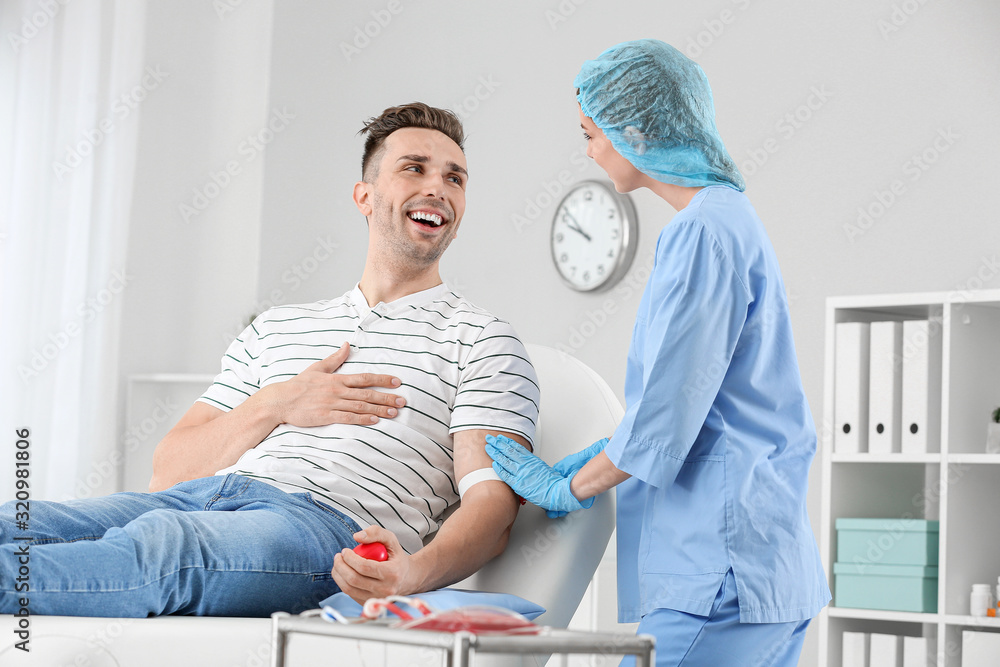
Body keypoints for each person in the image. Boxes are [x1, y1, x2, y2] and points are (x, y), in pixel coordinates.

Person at [0, 102, 539, 618]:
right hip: (203, 496)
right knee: (25, 521)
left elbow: (491, 509)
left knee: (166, 548)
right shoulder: (278, 326)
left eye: (455, 178)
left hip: (321, 531)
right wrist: (277, 403)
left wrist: (412, 573)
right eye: (414, 168)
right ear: (364, 196)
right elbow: (169, 471)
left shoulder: (483, 338)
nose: (437, 189)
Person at [486, 40, 830, 666]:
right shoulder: (731, 220)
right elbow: (710, 401)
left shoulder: (700, 233)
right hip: (768, 570)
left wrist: (564, 489)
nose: (587, 150)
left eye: (590, 134)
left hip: (720, 574)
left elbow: (667, 417)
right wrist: (598, 454)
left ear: (635, 131)